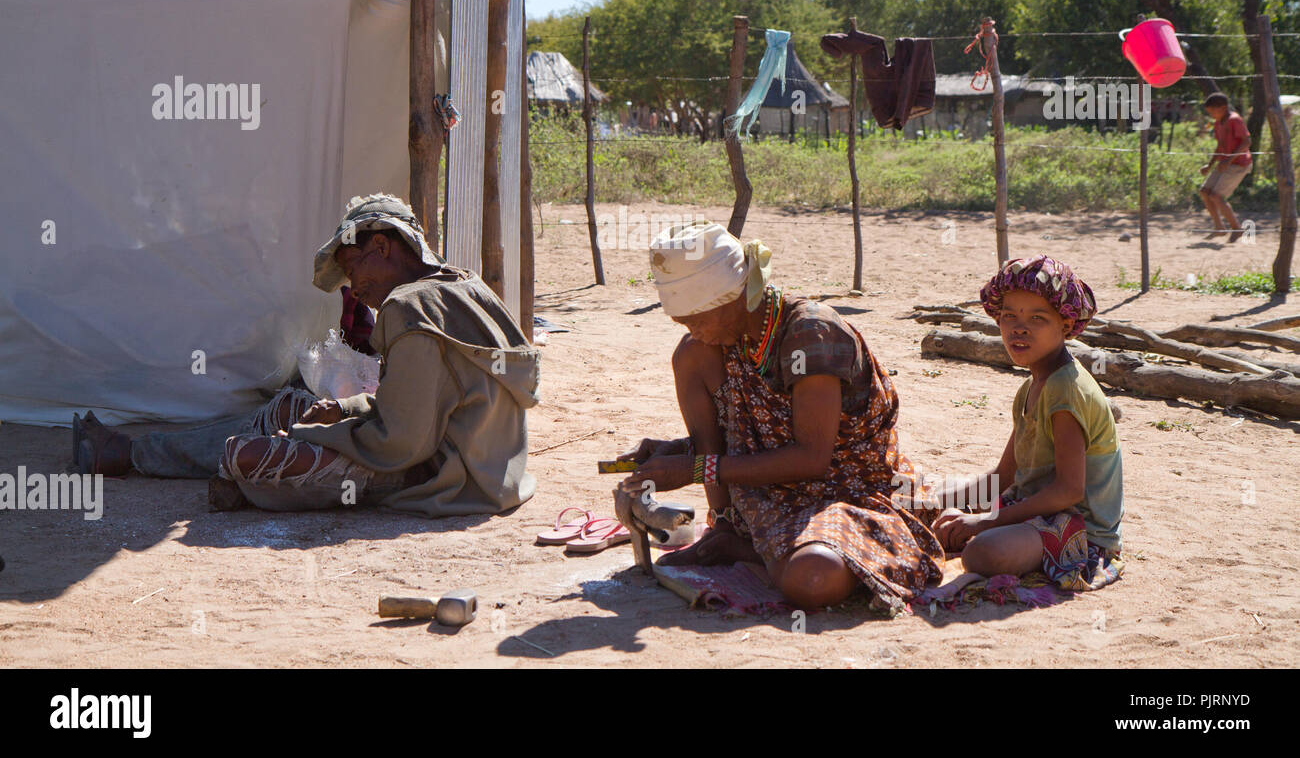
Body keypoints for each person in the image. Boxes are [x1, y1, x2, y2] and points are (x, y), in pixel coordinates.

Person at [75, 193, 540, 517]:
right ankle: (131, 453)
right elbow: (428, 403)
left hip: (446, 477)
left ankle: (148, 459)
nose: (353, 288)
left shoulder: (407, 306)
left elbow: (404, 445)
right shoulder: (467, 284)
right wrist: (343, 410)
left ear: (382, 246)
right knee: (288, 406)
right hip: (490, 468)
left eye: (354, 267)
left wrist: (324, 434)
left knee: (245, 453)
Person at [619, 221, 943, 612]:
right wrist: (674, 452)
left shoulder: (811, 335)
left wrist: (695, 469)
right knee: (690, 353)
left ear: (732, 296)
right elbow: (736, 439)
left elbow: (811, 458)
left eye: (696, 319)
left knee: (812, 577)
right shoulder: (716, 346)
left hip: (846, 495)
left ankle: (752, 550)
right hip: (765, 498)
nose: (693, 331)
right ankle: (725, 527)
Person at [931, 255, 1124, 591]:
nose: (1019, 328)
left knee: (981, 553)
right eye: (1009, 316)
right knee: (924, 507)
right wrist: (934, 500)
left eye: (1037, 318)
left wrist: (983, 520)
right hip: (1031, 513)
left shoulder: (1066, 388)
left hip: (1079, 531)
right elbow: (1003, 477)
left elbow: (1068, 491)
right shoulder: (1030, 388)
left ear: (1065, 325)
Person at [1198, 92, 1252, 242]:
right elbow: (1220, 146)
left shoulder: (1235, 120)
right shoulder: (1218, 123)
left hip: (1239, 164)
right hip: (1225, 163)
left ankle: (1237, 228)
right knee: (1205, 191)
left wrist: (1228, 161)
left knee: (1216, 196)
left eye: (1212, 112)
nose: (1211, 115)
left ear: (1222, 108)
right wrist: (1209, 165)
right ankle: (1219, 227)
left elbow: (1246, 142)